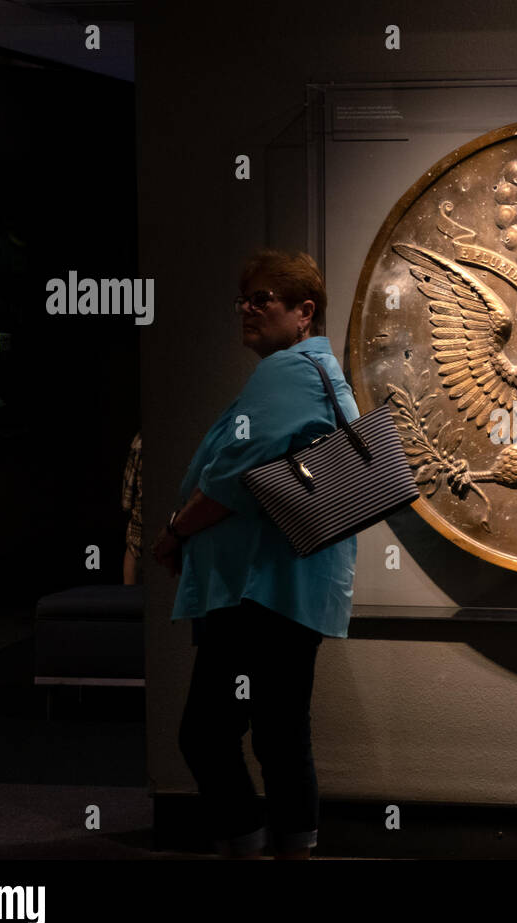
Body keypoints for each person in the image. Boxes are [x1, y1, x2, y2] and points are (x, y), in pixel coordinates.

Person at [151, 250, 359, 860]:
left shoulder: (290, 371)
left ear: (304, 312)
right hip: (286, 590)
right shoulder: (315, 368)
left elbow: (236, 480)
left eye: (263, 298)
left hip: (259, 592)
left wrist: (174, 532)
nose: (246, 308)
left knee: (209, 736)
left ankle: (244, 849)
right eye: (243, 298)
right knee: (278, 734)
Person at [121, 431, 143, 584]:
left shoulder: (141, 440)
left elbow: (128, 487)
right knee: (134, 547)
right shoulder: (140, 441)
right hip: (143, 511)